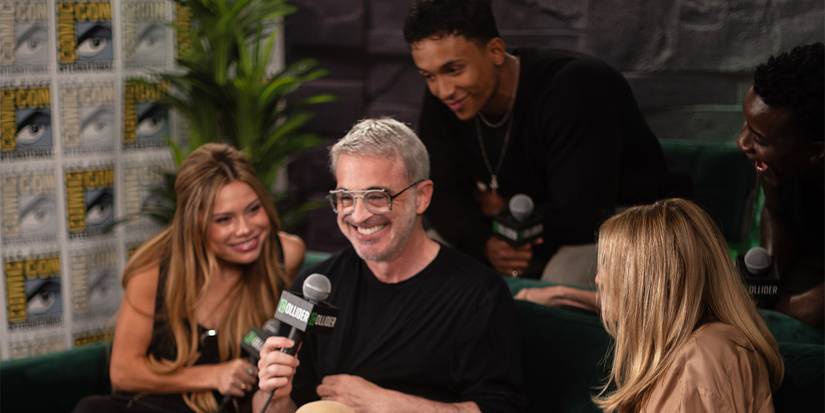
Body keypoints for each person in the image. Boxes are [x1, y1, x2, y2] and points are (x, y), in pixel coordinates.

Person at [256, 118, 522, 412]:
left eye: (377, 197)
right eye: (345, 198)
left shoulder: (479, 294)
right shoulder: (315, 286)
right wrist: (274, 396)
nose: (358, 216)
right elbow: (277, 407)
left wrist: (386, 404)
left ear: (421, 197)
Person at [403, 0, 669, 279]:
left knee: (564, 275)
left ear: (495, 51)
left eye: (454, 70)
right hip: (524, 225)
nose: (443, 90)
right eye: (428, 76)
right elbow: (440, 194)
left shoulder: (576, 86)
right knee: (423, 254)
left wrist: (503, 217)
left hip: (629, 223)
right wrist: (486, 243)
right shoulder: (447, 99)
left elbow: (582, 211)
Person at [73, 143, 306, 413]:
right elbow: (123, 371)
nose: (245, 229)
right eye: (223, 220)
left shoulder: (285, 254)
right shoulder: (152, 272)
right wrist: (215, 375)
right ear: (194, 224)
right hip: (156, 406)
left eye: (253, 209)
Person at [594, 198, 784, 412]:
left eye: (608, 264)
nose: (598, 279)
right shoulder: (690, 350)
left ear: (649, 280)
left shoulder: (704, 357)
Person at [736, 42, 824, 329]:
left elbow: (812, 310)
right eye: (747, 126)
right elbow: (776, 214)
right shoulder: (782, 164)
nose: (742, 143)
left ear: (816, 152)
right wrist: (765, 286)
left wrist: (775, 309)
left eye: (760, 140)